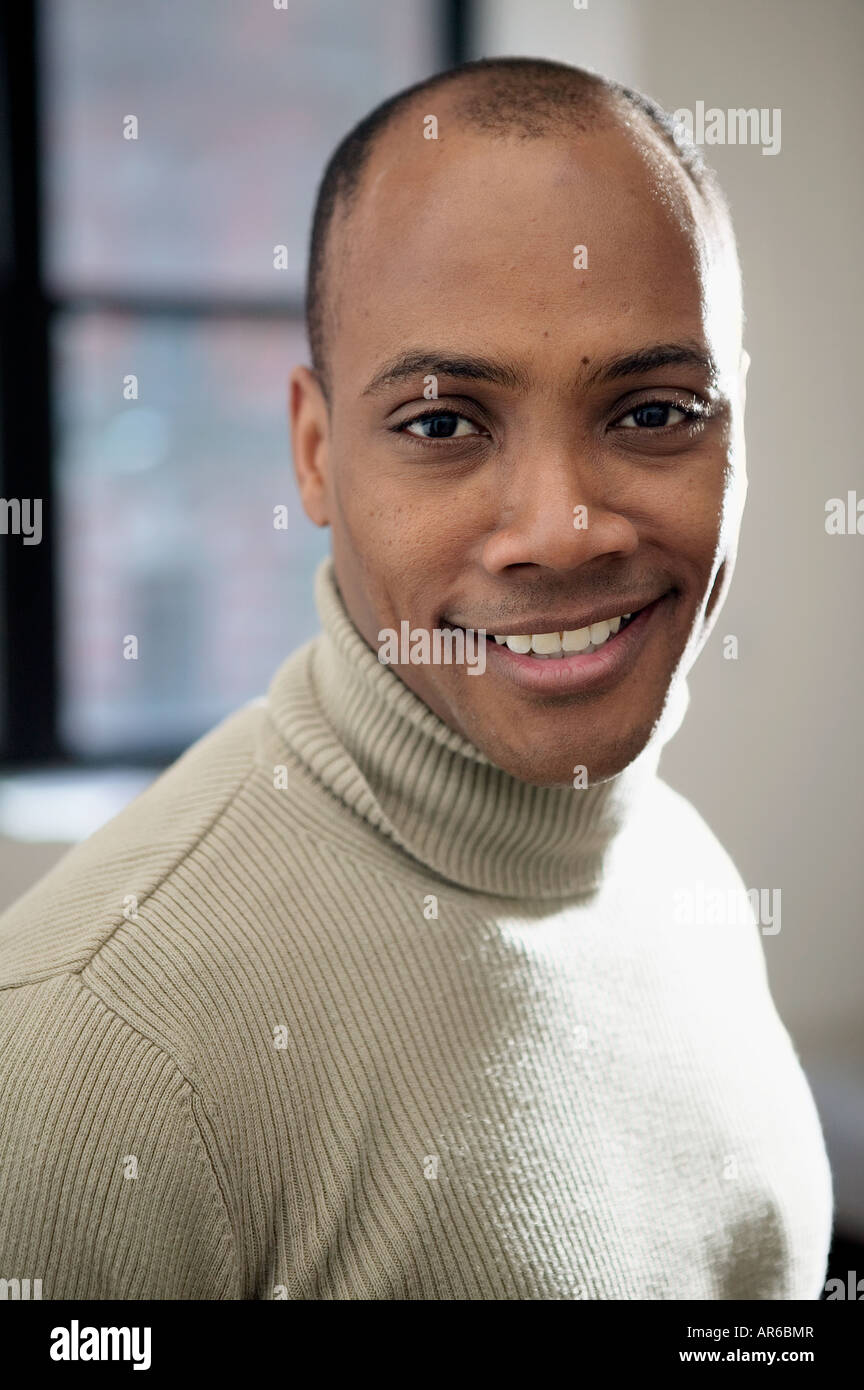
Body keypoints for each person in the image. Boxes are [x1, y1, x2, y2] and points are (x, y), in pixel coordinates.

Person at [0, 57, 832, 1299]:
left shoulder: (679, 864)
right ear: (316, 452)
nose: (562, 529)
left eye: (654, 413)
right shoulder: (90, 1046)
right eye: (444, 424)